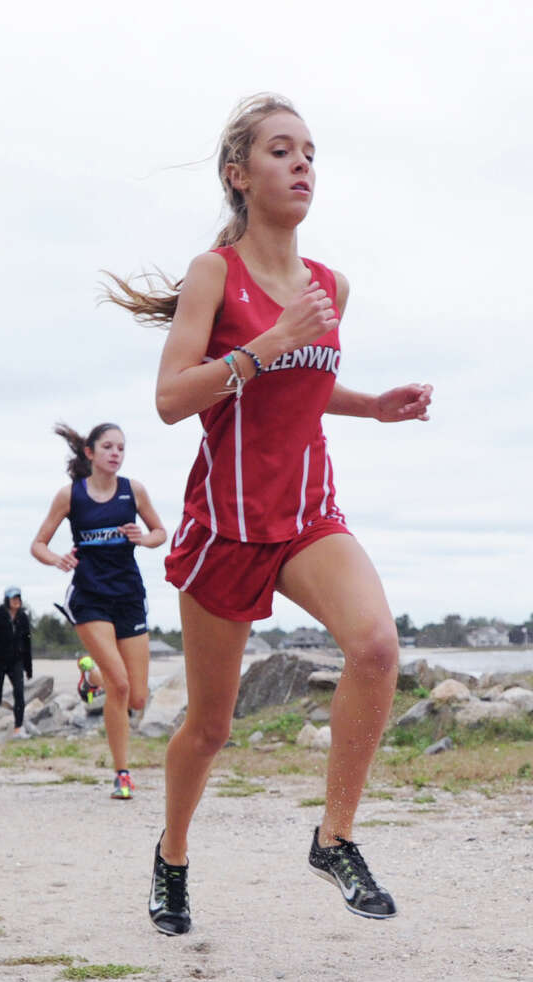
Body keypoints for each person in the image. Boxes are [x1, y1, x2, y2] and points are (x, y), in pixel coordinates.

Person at [103, 94, 432, 935]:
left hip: (307, 514)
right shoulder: (216, 273)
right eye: (281, 150)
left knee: (376, 645)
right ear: (238, 175)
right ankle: (172, 853)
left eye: (311, 152)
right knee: (210, 727)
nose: (302, 164)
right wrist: (266, 343)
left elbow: (304, 394)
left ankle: (335, 837)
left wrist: (373, 405)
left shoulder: (331, 285)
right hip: (225, 522)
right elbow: (173, 398)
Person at [30, 422, 166, 797]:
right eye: (108, 446)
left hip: (129, 595)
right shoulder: (70, 496)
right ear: (90, 453)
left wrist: (145, 538)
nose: (116, 453)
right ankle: (122, 773)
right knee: (118, 684)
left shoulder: (133, 491)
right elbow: (38, 544)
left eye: (121, 447)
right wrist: (57, 559)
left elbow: (160, 532)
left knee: (137, 698)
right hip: (89, 596)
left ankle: (89, 677)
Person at [0, 587, 33, 741]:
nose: (17, 601)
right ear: (7, 600)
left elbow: (27, 643)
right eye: (13, 598)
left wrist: (28, 668)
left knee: (20, 694)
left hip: (16, 662)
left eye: (18, 598)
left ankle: (18, 729)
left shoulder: (23, 617)